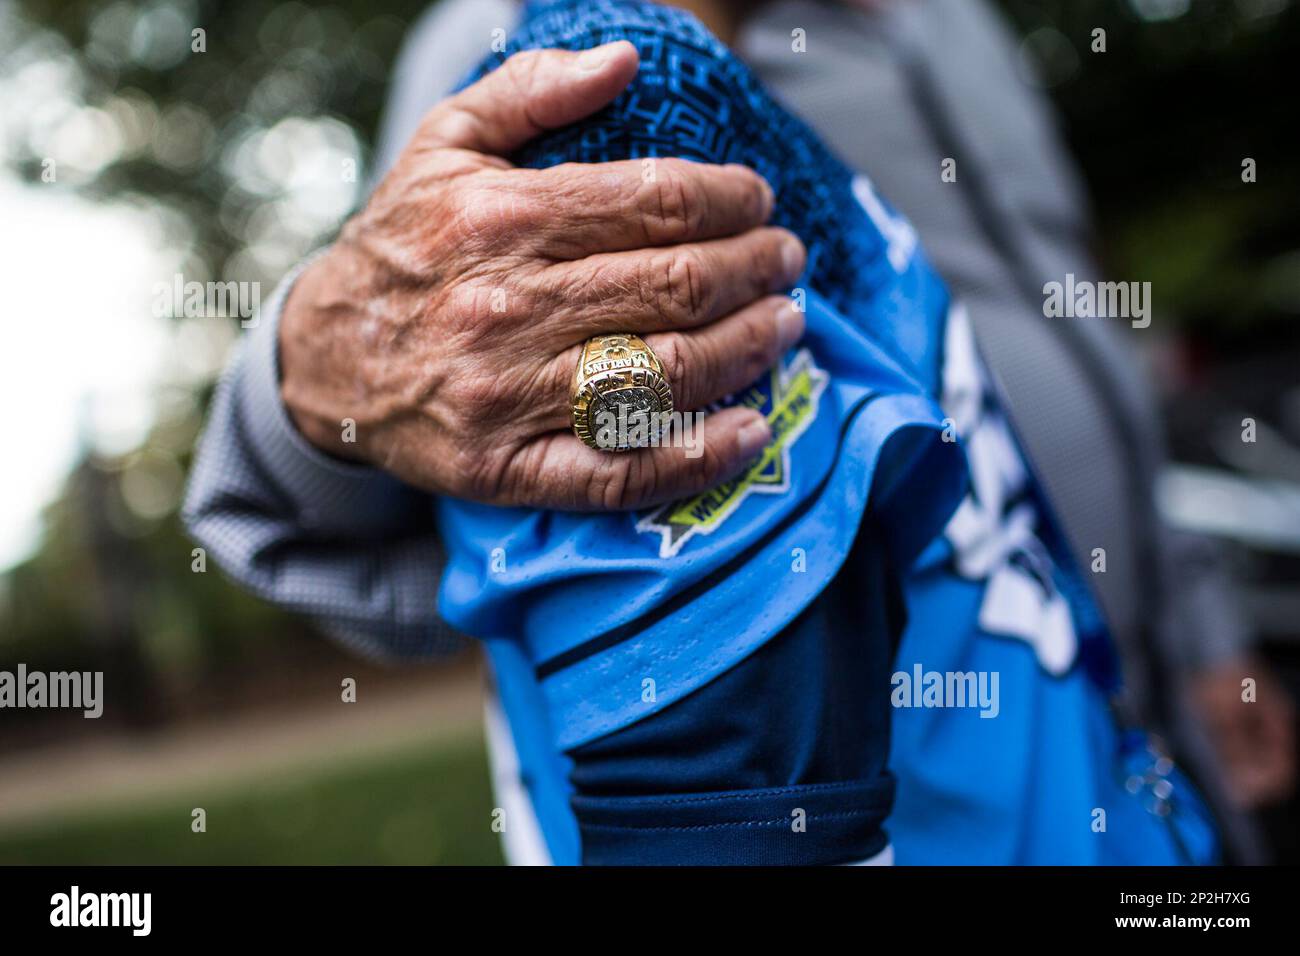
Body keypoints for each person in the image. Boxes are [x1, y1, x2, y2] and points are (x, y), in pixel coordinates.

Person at [184, 0, 1280, 863]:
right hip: (897, 795)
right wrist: (305, 381)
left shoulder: (956, 21)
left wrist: (1202, 631)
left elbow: (1081, 331)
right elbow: (440, 405)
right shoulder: (535, 48)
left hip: (1131, 734)